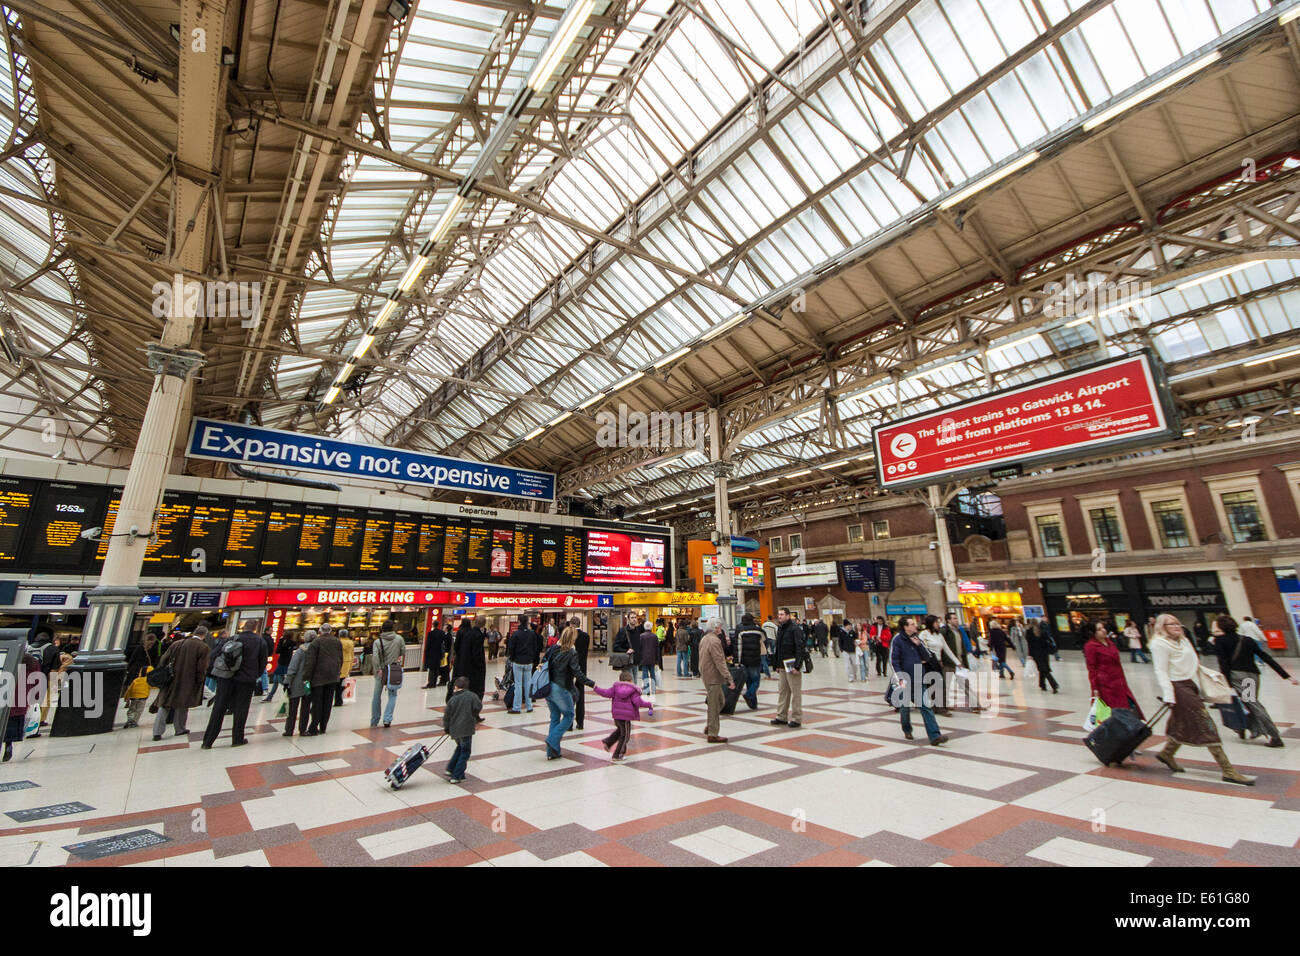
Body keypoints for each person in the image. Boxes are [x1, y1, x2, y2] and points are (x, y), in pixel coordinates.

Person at [1150, 614, 1254, 785]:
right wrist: (1168, 694)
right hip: (1178, 687)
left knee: (1181, 722)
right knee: (1206, 723)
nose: (1177, 626)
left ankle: (1167, 754)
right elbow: (1160, 671)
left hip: (1191, 685)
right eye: (1172, 624)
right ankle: (1227, 770)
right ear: (1162, 626)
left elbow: (1194, 664)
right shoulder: (1159, 644)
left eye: (1178, 623)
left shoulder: (1183, 640)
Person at [1213, 614, 1295, 747]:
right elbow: (1266, 657)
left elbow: (1223, 663)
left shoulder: (1220, 641)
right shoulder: (1247, 640)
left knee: (1253, 704)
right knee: (1250, 703)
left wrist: (1227, 684)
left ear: (1221, 627)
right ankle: (1250, 728)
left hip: (1238, 677)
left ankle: (1274, 736)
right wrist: (1285, 675)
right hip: (1252, 675)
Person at [201, 621, 269, 749]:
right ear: (255, 628)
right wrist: (255, 675)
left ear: (243, 628)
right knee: (241, 709)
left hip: (226, 678)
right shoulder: (259, 641)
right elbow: (263, 661)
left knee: (219, 707)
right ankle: (237, 738)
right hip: (246, 680)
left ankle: (208, 740)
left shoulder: (232, 639)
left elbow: (214, 655)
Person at [890, 617, 949, 746]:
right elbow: (894, 661)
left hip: (918, 677)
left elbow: (927, 656)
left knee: (925, 706)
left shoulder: (917, 639)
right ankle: (907, 729)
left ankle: (935, 736)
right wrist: (900, 677)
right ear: (905, 627)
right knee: (905, 707)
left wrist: (919, 645)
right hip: (905, 678)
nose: (915, 626)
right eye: (912, 624)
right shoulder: (898, 640)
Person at [542, 628, 595, 759]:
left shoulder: (552, 649)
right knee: (569, 716)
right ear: (572, 639)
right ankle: (552, 738)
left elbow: (543, 663)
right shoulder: (572, 652)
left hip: (548, 687)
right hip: (561, 688)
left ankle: (552, 752)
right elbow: (577, 673)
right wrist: (591, 683)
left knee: (554, 717)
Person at [152, 628, 210, 741]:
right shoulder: (203, 647)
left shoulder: (177, 643)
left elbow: (164, 659)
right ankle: (180, 729)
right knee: (183, 705)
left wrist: (164, 672)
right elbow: (201, 668)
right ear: (205, 635)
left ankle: (157, 732)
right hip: (187, 680)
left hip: (170, 679)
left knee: (164, 705)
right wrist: (200, 680)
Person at [1082, 621, 1142, 720]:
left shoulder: (1109, 642)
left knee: (1129, 707)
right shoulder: (1091, 646)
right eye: (1099, 629)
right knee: (1115, 712)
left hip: (1120, 682)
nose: (1103, 631)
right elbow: (1092, 668)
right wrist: (1095, 689)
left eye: (1103, 628)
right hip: (1106, 685)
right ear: (1093, 633)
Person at [594, 669, 654, 761]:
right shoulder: (633, 690)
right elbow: (638, 702)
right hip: (626, 717)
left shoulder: (615, 688)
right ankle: (617, 754)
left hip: (617, 715)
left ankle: (608, 742)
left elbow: (605, 693)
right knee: (625, 736)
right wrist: (649, 704)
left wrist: (596, 688)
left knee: (620, 731)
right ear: (631, 680)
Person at [297, 623, 343, 737]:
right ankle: (323, 727)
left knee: (317, 703)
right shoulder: (337, 641)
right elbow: (340, 658)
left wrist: (306, 677)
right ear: (331, 630)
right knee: (328, 702)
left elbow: (310, 662)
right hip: (333, 677)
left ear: (320, 630)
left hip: (318, 677)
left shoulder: (316, 642)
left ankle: (313, 727)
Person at [698, 622, 734, 743]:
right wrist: (729, 678)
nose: (720, 628)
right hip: (713, 676)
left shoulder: (705, 638)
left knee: (720, 701)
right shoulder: (714, 641)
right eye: (718, 626)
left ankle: (710, 725)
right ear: (714, 628)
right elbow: (719, 661)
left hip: (707, 674)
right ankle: (713, 733)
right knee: (714, 705)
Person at [920, 615, 963, 717]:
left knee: (940, 685)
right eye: (936, 622)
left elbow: (947, 649)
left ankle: (940, 706)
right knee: (935, 685)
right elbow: (920, 648)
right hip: (929, 663)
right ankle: (939, 708)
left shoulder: (939, 635)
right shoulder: (924, 634)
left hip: (938, 663)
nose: (938, 624)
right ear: (930, 623)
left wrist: (957, 662)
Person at [3, 644, 40, 761]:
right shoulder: (32, 662)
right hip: (20, 698)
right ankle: (8, 746)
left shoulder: (6, 657)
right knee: (12, 723)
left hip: (3, 695)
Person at [442, 676, 482, 784]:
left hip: (455, 730)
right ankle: (457, 775)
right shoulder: (472, 696)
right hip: (467, 729)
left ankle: (450, 768)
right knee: (465, 752)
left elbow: (446, 716)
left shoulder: (452, 699)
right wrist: (473, 715)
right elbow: (478, 706)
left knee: (460, 748)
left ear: (456, 687)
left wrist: (446, 728)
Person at [770, 608, 804, 728]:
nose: (779, 616)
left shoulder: (794, 629)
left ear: (788, 616)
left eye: (782, 614)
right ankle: (781, 716)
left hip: (792, 664)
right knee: (783, 691)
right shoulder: (780, 629)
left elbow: (800, 647)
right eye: (778, 614)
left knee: (795, 692)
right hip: (783, 665)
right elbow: (778, 649)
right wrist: (777, 665)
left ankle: (796, 718)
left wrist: (797, 666)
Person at [369, 621, 406, 728]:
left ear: (382, 629)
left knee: (376, 696)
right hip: (393, 670)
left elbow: (375, 658)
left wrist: (378, 669)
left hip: (381, 671)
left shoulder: (377, 642)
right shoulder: (399, 639)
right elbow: (403, 652)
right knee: (392, 695)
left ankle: (374, 720)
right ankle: (387, 719)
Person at [122, 633, 160, 729]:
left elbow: (132, 659)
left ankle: (130, 717)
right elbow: (156, 661)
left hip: (135, 671)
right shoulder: (154, 648)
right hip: (146, 672)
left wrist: (128, 669)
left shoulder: (139, 648)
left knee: (134, 693)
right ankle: (135, 720)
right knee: (141, 699)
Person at [506, 616, 539, 714]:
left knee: (518, 685)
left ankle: (517, 707)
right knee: (528, 684)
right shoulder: (532, 634)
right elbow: (535, 647)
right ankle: (529, 706)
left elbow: (511, 649)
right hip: (529, 662)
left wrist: (512, 659)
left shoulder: (516, 634)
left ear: (519, 622)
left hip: (518, 661)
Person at [733, 613, 765, 709]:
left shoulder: (740, 631)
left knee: (749, 681)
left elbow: (738, 647)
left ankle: (753, 703)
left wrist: (737, 661)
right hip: (755, 659)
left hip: (744, 660)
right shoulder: (758, 630)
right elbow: (764, 640)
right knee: (756, 680)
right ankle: (750, 696)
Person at [283, 632, 311, 737]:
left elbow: (293, 667)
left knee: (293, 707)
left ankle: (289, 730)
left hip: (297, 682)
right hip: (308, 682)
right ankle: (303, 729)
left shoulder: (300, 651)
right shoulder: (315, 650)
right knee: (306, 707)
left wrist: (287, 681)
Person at [1026, 619, 1058, 693]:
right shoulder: (1043, 631)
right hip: (1045, 652)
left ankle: (1054, 684)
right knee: (1043, 668)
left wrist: (1030, 654)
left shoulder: (1029, 632)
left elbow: (1030, 644)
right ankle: (1042, 684)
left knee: (1044, 669)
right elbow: (1048, 640)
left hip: (1036, 653)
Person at [264, 630, 295, 702]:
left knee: (280, 680)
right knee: (275, 680)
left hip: (284, 663)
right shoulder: (286, 642)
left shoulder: (290, 643)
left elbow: (280, 651)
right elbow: (278, 650)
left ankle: (289, 689)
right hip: (281, 663)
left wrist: (281, 643)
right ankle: (270, 697)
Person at [334, 628, 355, 707]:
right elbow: (352, 654)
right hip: (347, 663)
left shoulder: (337, 642)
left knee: (337, 683)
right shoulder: (351, 642)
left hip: (339, 663)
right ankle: (340, 699)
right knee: (343, 683)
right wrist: (351, 665)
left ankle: (336, 700)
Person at [637, 620, 658, 694]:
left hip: (644, 658)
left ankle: (646, 689)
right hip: (652, 657)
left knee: (645, 674)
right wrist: (657, 659)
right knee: (652, 673)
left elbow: (639, 647)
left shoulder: (641, 636)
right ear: (651, 627)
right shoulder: (654, 636)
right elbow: (657, 648)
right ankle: (653, 689)